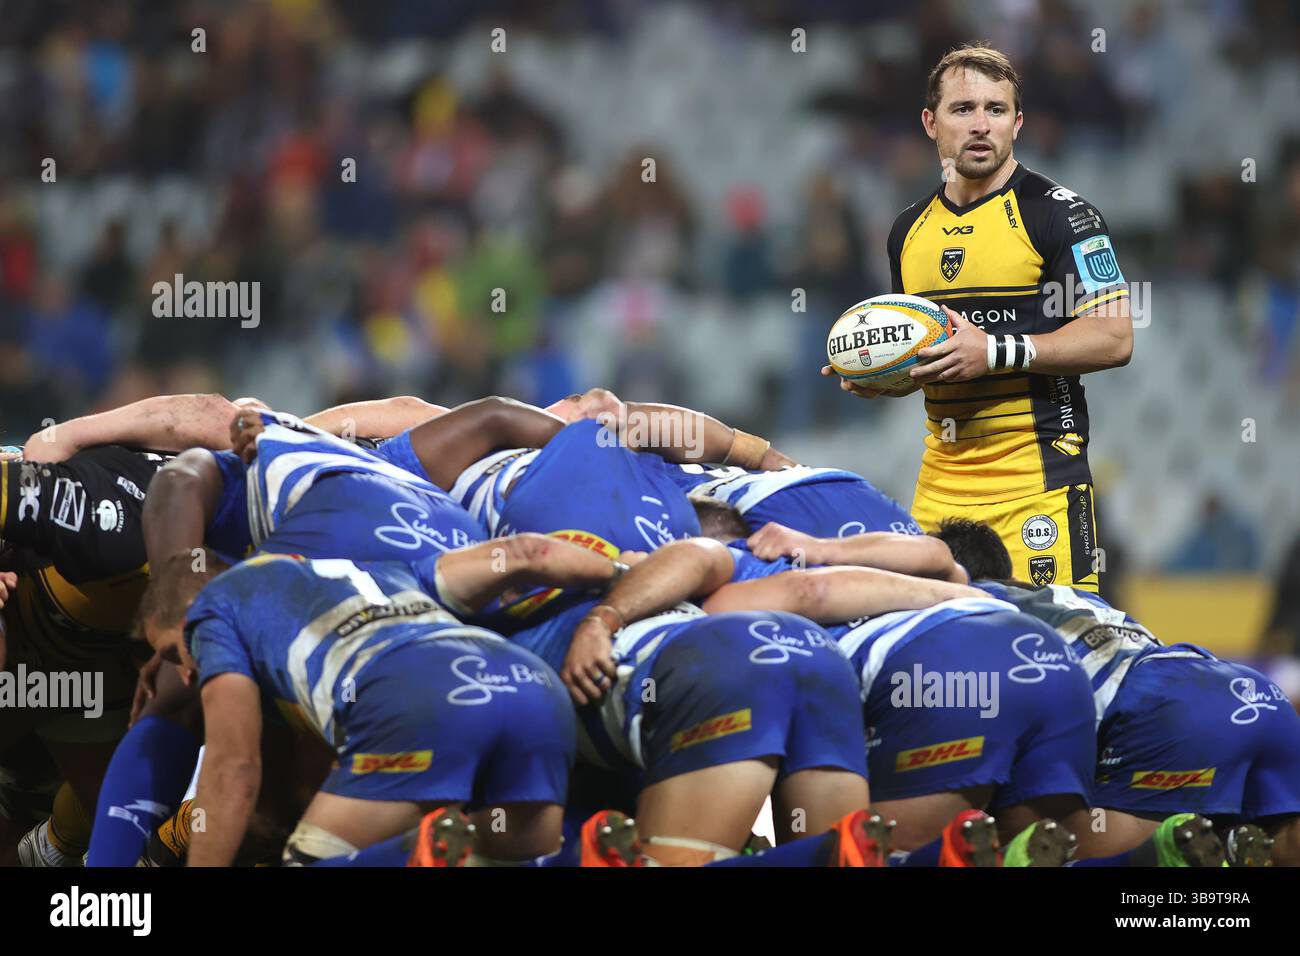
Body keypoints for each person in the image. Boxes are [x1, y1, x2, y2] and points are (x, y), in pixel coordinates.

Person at [824, 44, 1133, 593]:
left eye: (996, 109)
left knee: (1049, 662)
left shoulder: (1064, 215)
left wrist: (994, 350)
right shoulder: (906, 231)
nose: (981, 124)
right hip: (940, 492)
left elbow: (1114, 338)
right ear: (930, 123)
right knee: (937, 656)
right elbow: (932, 355)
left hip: (1039, 491)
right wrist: (879, 375)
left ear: (1017, 123)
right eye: (963, 109)